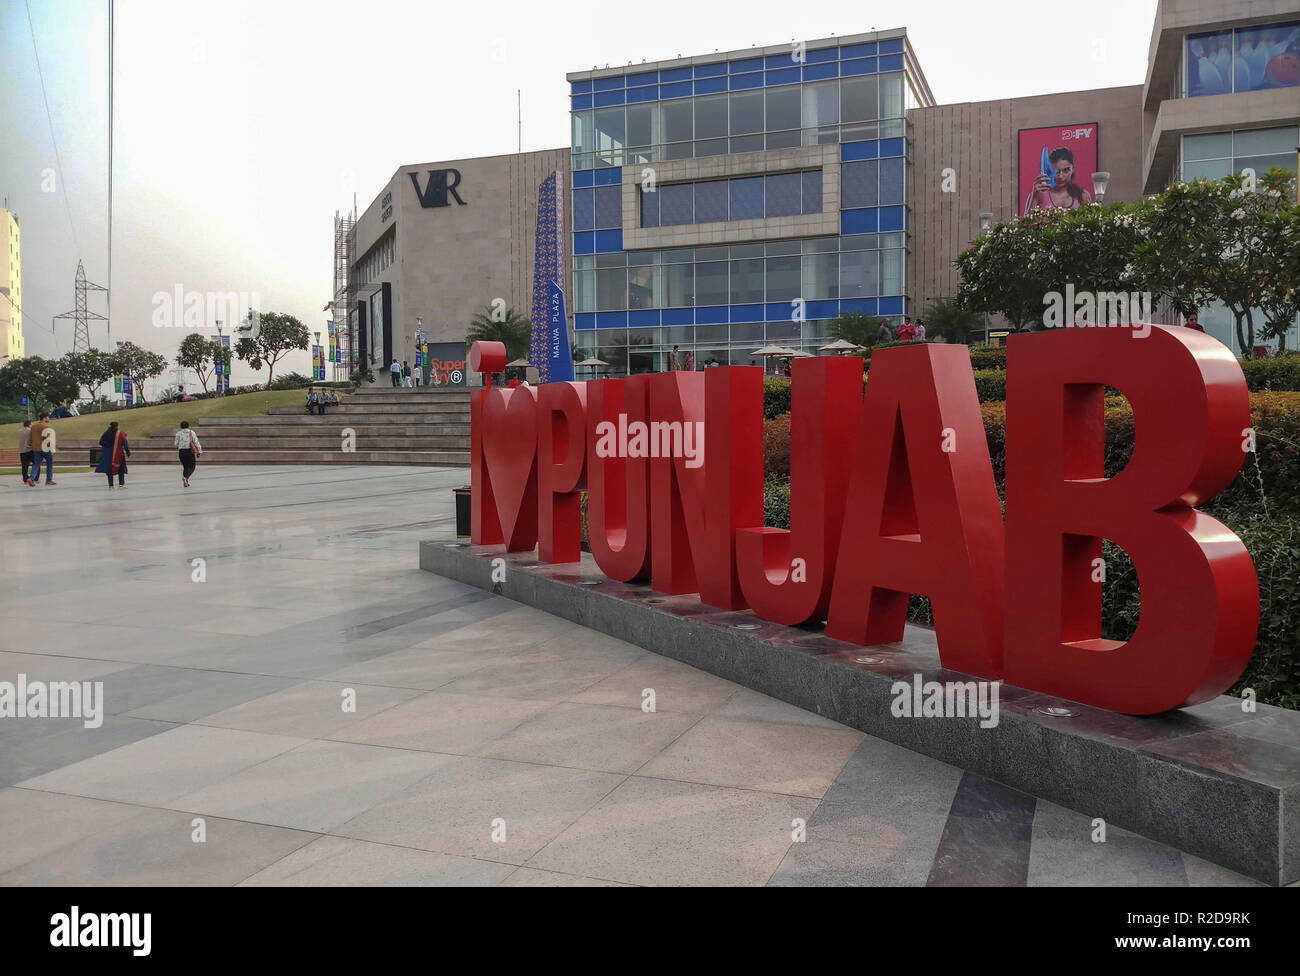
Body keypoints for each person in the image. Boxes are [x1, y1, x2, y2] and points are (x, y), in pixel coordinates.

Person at [1023, 146, 1093, 217]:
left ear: (1073, 170)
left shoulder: (1082, 195)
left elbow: (1093, 224)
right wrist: (1034, 196)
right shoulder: (1039, 195)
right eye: (1056, 171)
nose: (1060, 176)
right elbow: (1025, 225)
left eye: (1066, 170)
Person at [95, 421, 131, 489]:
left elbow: (101, 442)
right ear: (117, 426)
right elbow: (125, 443)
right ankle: (121, 485)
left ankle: (111, 486)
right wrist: (128, 452)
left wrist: (108, 446)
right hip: (119, 453)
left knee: (109, 469)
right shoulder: (120, 434)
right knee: (121, 469)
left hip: (108, 454)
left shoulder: (106, 433)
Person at [27, 414, 55, 487]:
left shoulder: (33, 427)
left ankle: (31, 478)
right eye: (48, 417)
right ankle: (48, 481)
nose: (49, 419)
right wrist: (51, 448)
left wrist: (30, 444)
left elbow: (30, 437)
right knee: (49, 464)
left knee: (36, 464)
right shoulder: (46, 426)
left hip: (36, 449)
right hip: (45, 448)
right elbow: (48, 439)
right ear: (44, 418)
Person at [175, 420, 202, 488]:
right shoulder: (191, 432)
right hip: (189, 451)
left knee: (185, 467)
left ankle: (186, 481)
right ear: (188, 426)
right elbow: (196, 441)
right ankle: (185, 477)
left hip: (181, 452)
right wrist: (199, 451)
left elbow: (175, 444)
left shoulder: (178, 433)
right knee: (192, 466)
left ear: (181, 426)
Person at [17, 420, 32, 486]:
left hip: (22, 450)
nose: (32, 425)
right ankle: (34, 478)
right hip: (29, 450)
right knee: (36, 463)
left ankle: (25, 479)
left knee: (24, 466)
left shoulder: (20, 431)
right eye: (32, 424)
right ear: (29, 424)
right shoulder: (30, 431)